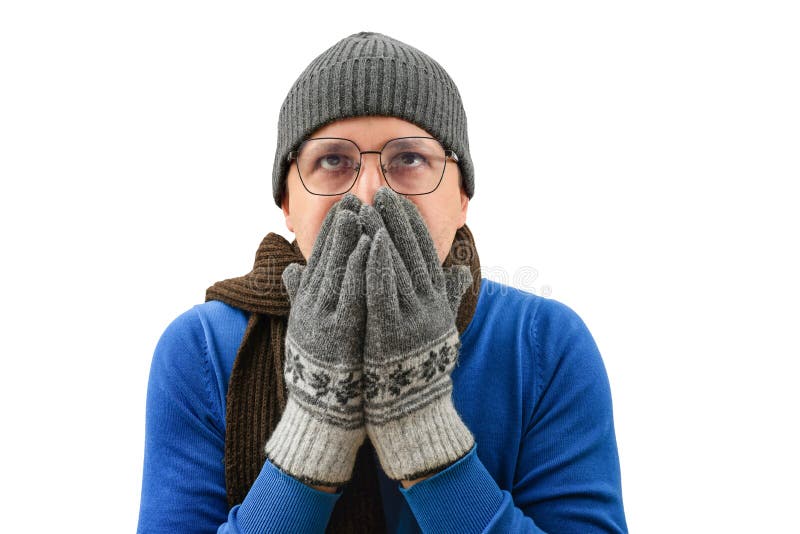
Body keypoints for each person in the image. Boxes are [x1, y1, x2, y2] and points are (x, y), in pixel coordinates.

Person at [136, 31, 628, 533]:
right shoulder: (200, 349)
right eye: (332, 161)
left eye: (409, 159)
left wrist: (424, 435)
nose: (370, 194)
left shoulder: (545, 345)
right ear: (286, 201)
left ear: (462, 198)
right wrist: (314, 429)